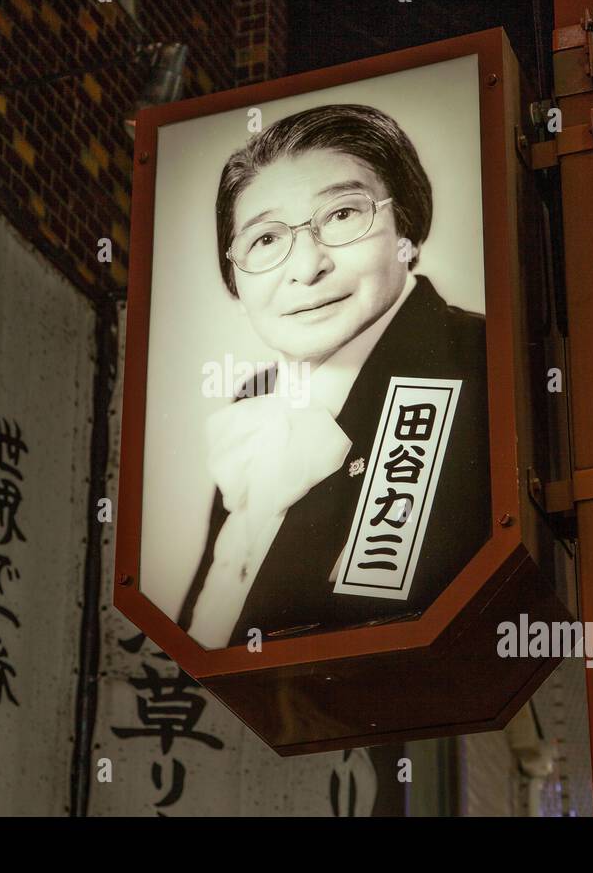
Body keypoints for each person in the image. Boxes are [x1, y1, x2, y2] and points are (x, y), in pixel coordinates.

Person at [177, 103, 491, 650]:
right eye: (265, 240)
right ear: (235, 278)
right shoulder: (254, 399)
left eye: (343, 215)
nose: (306, 267)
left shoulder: (483, 359)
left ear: (407, 227)